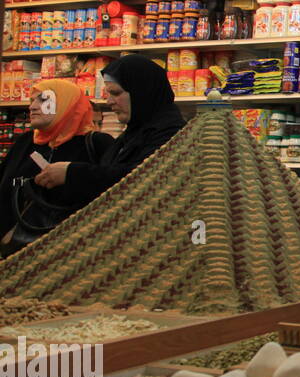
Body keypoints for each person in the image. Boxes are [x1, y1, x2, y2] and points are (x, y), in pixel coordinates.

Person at [35, 55, 185, 203]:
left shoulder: (172, 133)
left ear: (141, 91)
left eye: (116, 93)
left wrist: (72, 173)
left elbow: (143, 180)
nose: (109, 101)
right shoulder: (133, 133)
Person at [0, 80, 114, 252]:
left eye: (43, 100)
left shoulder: (96, 144)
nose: (33, 107)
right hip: (14, 251)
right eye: (32, 101)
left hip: (72, 252)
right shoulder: (25, 142)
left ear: (67, 103)